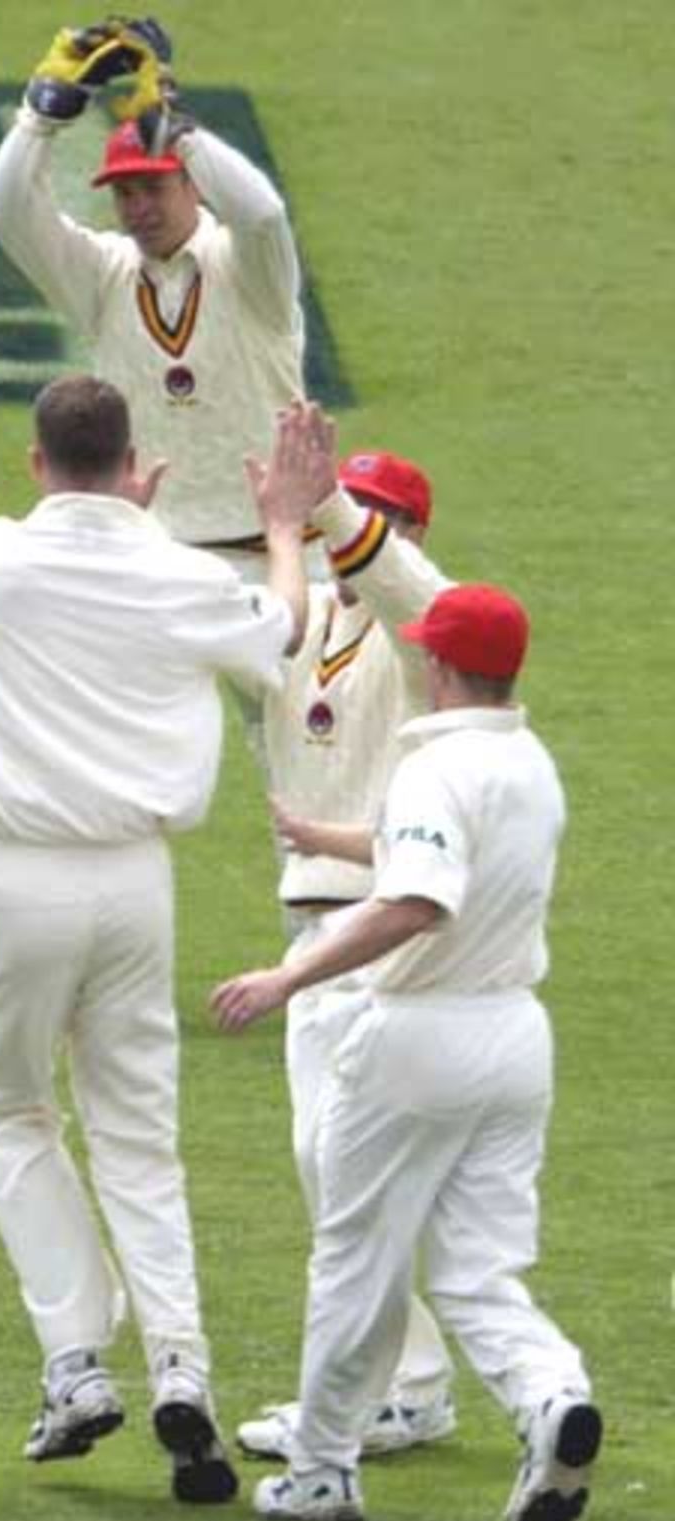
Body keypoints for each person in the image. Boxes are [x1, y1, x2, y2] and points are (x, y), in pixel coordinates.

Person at [0, 375, 327, 1503]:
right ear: (132, 461)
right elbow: (283, 626)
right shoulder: (182, 575)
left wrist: (125, 525)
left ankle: (73, 1364)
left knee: (14, 1114)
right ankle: (182, 1367)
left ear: (36, 461)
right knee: (139, 1135)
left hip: (14, 876)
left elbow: (30, 582)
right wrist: (285, 528)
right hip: (135, 885)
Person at [211, 584, 602, 1521]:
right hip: (516, 1038)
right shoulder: (532, 762)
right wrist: (331, 841)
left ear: (439, 666)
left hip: (420, 1035)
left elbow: (418, 900)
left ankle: (321, 1471)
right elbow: (423, 865)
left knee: (356, 1255)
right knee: (477, 1267)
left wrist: (287, 975)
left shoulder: (435, 769)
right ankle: (552, 1399)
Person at [237, 449, 459, 1464]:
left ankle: (378, 1396)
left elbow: (418, 588)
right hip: (311, 926)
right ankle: (409, 1383)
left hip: (387, 921)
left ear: (407, 530)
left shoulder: (430, 636)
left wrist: (319, 507)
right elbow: (238, 631)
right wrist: (277, 529)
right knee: (322, 1161)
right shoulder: (305, 615)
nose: (349, 530)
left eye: (372, 515)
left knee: (347, 1163)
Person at [0, 20, 305, 578]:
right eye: (125, 193)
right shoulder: (104, 274)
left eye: (153, 187)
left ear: (193, 183)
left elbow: (262, 214)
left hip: (278, 548)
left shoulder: (248, 267)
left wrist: (180, 133)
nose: (137, 208)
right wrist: (39, 117)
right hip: (156, 555)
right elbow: (4, 210)